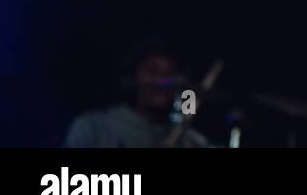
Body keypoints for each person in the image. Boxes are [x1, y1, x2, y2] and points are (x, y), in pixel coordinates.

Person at [64, 40, 210, 148]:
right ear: (131, 79)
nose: (163, 81)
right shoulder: (92, 128)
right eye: (153, 71)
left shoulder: (189, 140)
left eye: (170, 74)